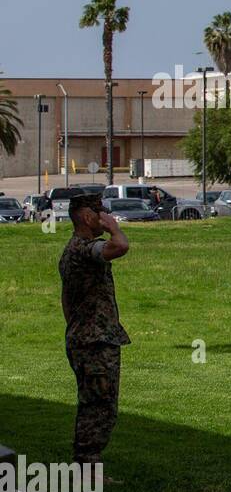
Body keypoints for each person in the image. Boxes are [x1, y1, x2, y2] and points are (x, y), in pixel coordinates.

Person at [59, 193, 131, 467]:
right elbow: (120, 247)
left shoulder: (71, 251)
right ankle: (86, 468)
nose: (104, 215)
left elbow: (66, 300)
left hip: (88, 338)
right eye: (99, 211)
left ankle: (86, 466)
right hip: (94, 343)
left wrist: (76, 328)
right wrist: (114, 228)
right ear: (87, 217)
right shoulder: (84, 249)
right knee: (98, 406)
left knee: (98, 403)